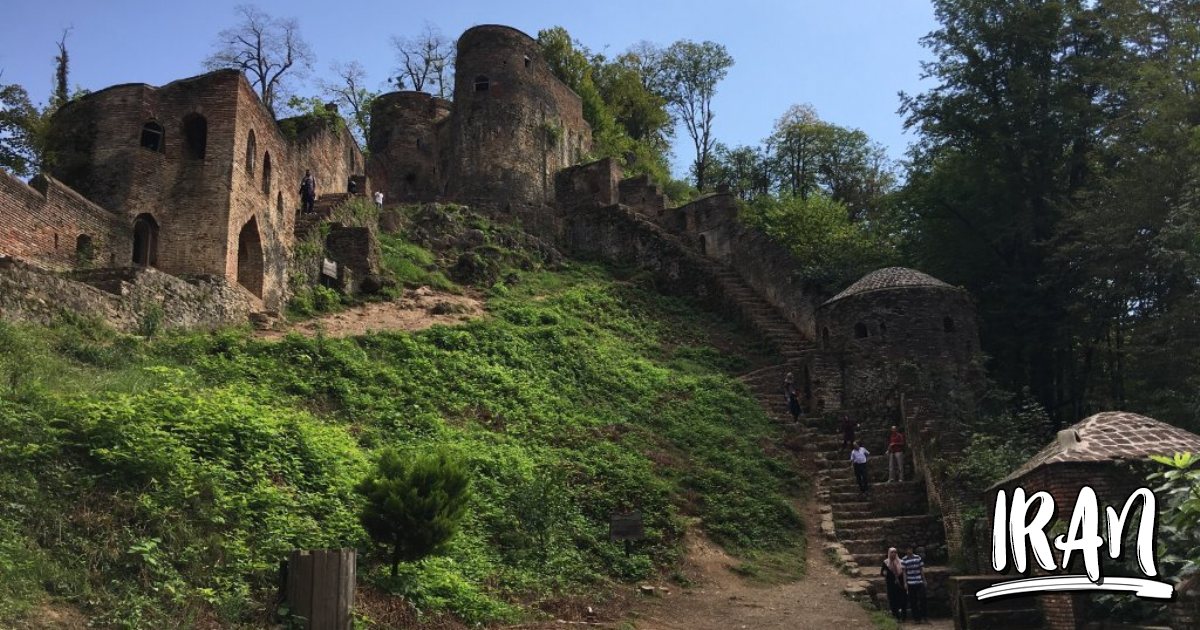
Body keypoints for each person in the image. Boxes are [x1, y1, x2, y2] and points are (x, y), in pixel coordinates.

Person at [881, 547, 908, 622]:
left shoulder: (901, 562)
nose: (893, 554)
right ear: (889, 553)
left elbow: (904, 573)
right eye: (892, 552)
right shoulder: (886, 563)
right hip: (891, 585)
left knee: (903, 600)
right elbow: (882, 572)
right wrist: (884, 573)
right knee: (893, 601)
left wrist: (905, 583)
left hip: (900, 585)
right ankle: (896, 617)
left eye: (895, 552)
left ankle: (903, 617)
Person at [902, 544, 928, 623]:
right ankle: (917, 618)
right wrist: (905, 583)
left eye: (910, 549)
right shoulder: (904, 559)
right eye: (907, 549)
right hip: (910, 582)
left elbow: (921, 570)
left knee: (923, 599)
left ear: (912, 550)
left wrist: (924, 580)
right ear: (905, 550)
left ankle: (924, 616)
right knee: (913, 601)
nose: (909, 551)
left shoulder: (918, 558)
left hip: (919, 581)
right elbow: (904, 572)